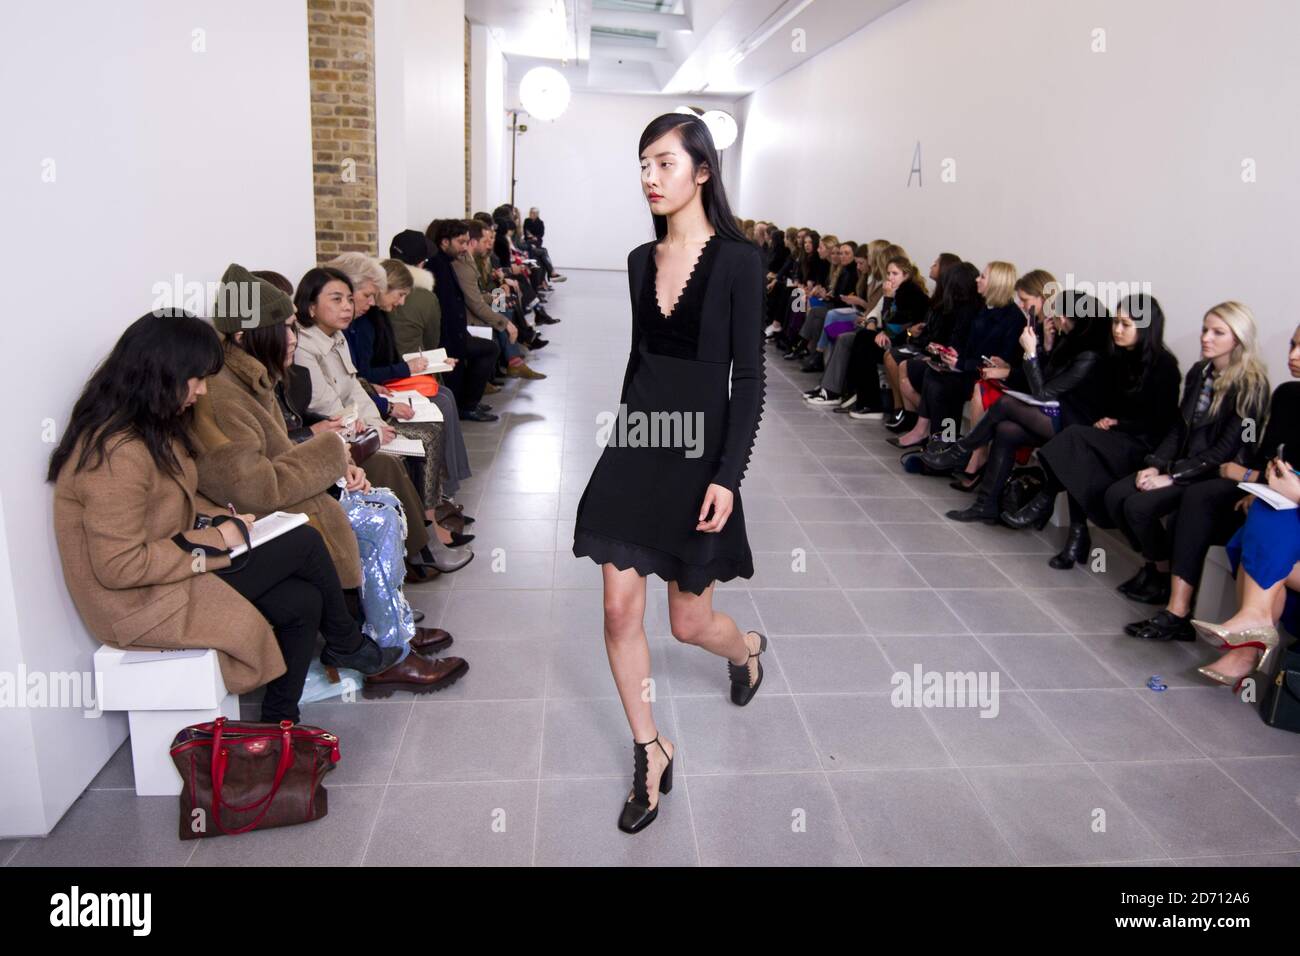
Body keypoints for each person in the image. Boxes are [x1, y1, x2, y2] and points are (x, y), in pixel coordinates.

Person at [49, 310, 400, 724]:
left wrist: (224, 519)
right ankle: (344, 640)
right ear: (160, 373)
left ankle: (280, 721)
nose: (200, 392)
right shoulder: (116, 453)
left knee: (302, 601)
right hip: (138, 600)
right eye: (195, 379)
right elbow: (119, 566)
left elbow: (179, 500)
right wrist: (220, 539)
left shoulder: (150, 429)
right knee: (304, 542)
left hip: (169, 571)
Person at [571, 113, 767, 835]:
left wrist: (728, 476)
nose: (650, 177)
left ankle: (744, 649)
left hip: (700, 459)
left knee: (689, 624)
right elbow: (638, 363)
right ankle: (650, 750)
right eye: (643, 165)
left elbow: (748, 380)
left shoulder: (741, 261)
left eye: (664, 163)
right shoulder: (636, 260)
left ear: (703, 171)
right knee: (620, 610)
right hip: (638, 444)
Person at [192, 265, 466, 693]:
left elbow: (283, 450)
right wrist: (332, 455)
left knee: (382, 504)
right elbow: (256, 486)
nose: (293, 338)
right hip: (256, 516)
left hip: (282, 498)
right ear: (246, 336)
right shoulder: (228, 394)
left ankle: (393, 634)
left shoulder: (251, 377)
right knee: (376, 521)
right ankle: (388, 651)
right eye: (282, 329)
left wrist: (339, 464)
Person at [1102, 301, 1271, 641]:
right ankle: (1162, 572)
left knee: (1142, 505)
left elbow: (1224, 451)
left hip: (1219, 475)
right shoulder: (1200, 372)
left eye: (1217, 332)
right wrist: (1154, 464)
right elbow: (1179, 429)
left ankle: (1176, 610)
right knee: (1118, 495)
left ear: (1238, 339)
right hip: (1187, 466)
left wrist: (1173, 475)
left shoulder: (1251, 385)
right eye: (1205, 329)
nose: (1206, 337)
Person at [1004, 294, 1180, 567]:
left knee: (1074, 439)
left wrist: (1118, 423)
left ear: (1145, 328)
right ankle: (1077, 535)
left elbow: (1160, 421)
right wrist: (1109, 420)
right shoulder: (1118, 355)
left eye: (1125, 325)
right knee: (1078, 447)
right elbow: (1105, 401)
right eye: (1116, 323)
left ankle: (1046, 497)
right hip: (1114, 434)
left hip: (1142, 444)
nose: (1117, 330)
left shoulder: (1164, 367)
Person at [922, 289, 1113, 522]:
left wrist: (1032, 353)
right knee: (1005, 431)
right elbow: (1045, 381)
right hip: (1057, 412)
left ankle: (959, 451)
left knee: (1005, 404)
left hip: (1075, 423)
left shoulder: (1090, 354)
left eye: (1059, 316)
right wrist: (1048, 348)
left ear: (1067, 318)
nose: (1056, 320)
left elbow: (1042, 392)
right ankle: (986, 504)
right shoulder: (1071, 340)